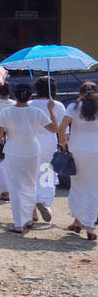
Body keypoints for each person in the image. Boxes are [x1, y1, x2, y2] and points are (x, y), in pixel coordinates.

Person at [0, 83, 60, 233]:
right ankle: (29, 218)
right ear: (30, 96)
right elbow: (54, 129)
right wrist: (51, 111)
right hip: (32, 151)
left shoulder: (6, 112)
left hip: (13, 151)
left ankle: (18, 223)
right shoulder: (36, 112)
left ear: (14, 96)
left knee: (15, 187)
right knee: (30, 185)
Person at [59, 82, 98, 240]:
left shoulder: (73, 108)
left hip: (76, 150)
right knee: (94, 187)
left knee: (77, 185)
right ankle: (90, 227)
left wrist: (63, 144)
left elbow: (62, 129)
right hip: (96, 150)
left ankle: (77, 220)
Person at [28, 78, 62, 223]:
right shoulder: (58, 105)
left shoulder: (29, 105)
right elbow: (62, 129)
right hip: (50, 143)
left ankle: (32, 211)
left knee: (31, 177)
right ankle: (45, 204)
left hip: (31, 144)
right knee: (47, 176)